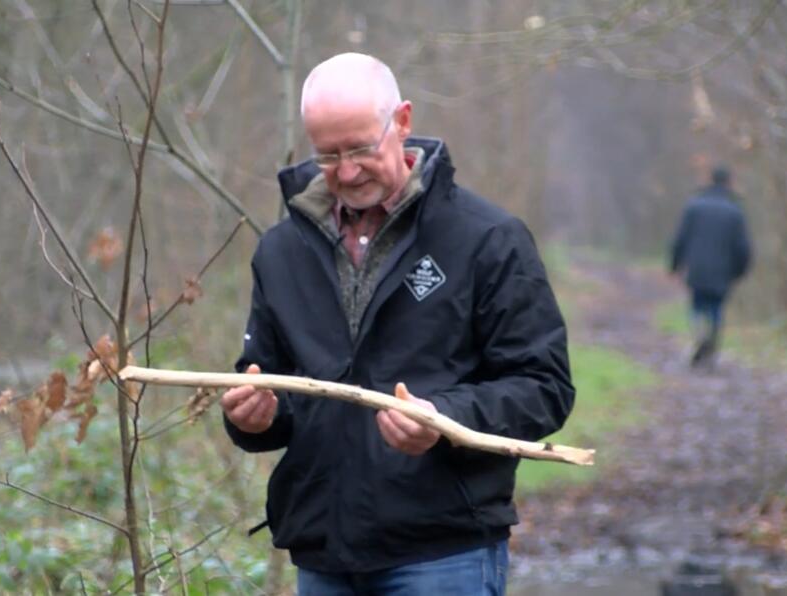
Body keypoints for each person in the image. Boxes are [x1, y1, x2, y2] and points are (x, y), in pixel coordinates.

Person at [220, 52, 575, 595]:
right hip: (323, 551)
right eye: (328, 155)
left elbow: (544, 388)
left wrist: (446, 420)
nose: (346, 171)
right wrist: (254, 418)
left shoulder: (486, 239)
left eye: (361, 148)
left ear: (403, 122)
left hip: (443, 550)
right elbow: (276, 385)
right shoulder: (281, 252)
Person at [669, 166, 753, 369]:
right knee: (716, 307)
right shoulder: (735, 211)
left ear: (710, 180)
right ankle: (711, 343)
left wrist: (675, 264)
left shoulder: (694, 206)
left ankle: (699, 333)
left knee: (697, 304)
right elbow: (743, 247)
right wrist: (739, 271)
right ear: (728, 182)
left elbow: (680, 239)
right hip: (723, 272)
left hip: (697, 268)